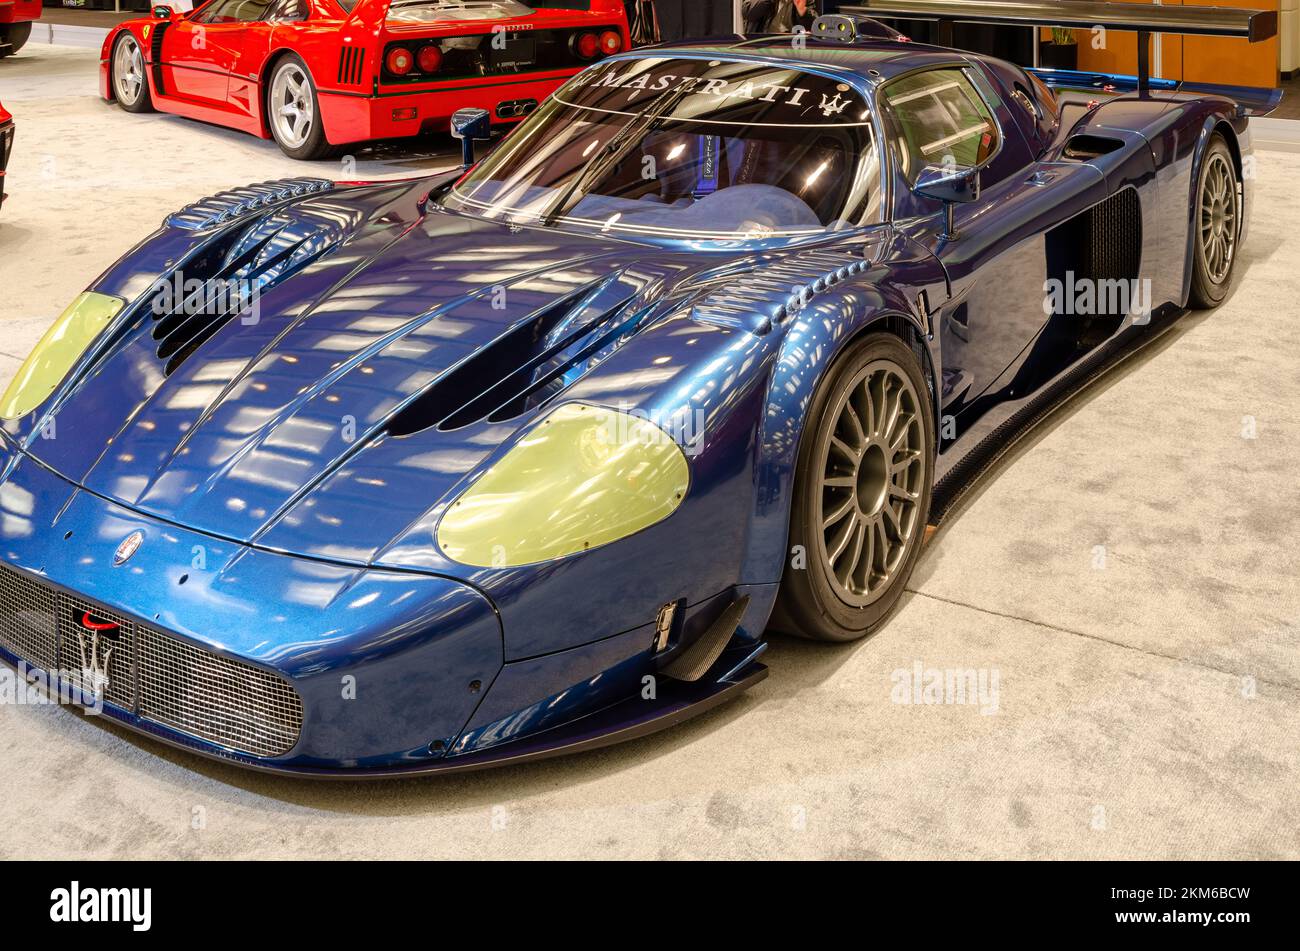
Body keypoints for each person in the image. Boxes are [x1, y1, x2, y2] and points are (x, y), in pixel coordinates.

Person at [742, 0, 821, 34]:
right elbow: (748, 13)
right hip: (763, 45)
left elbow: (815, 27)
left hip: (790, 48)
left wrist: (802, 11)